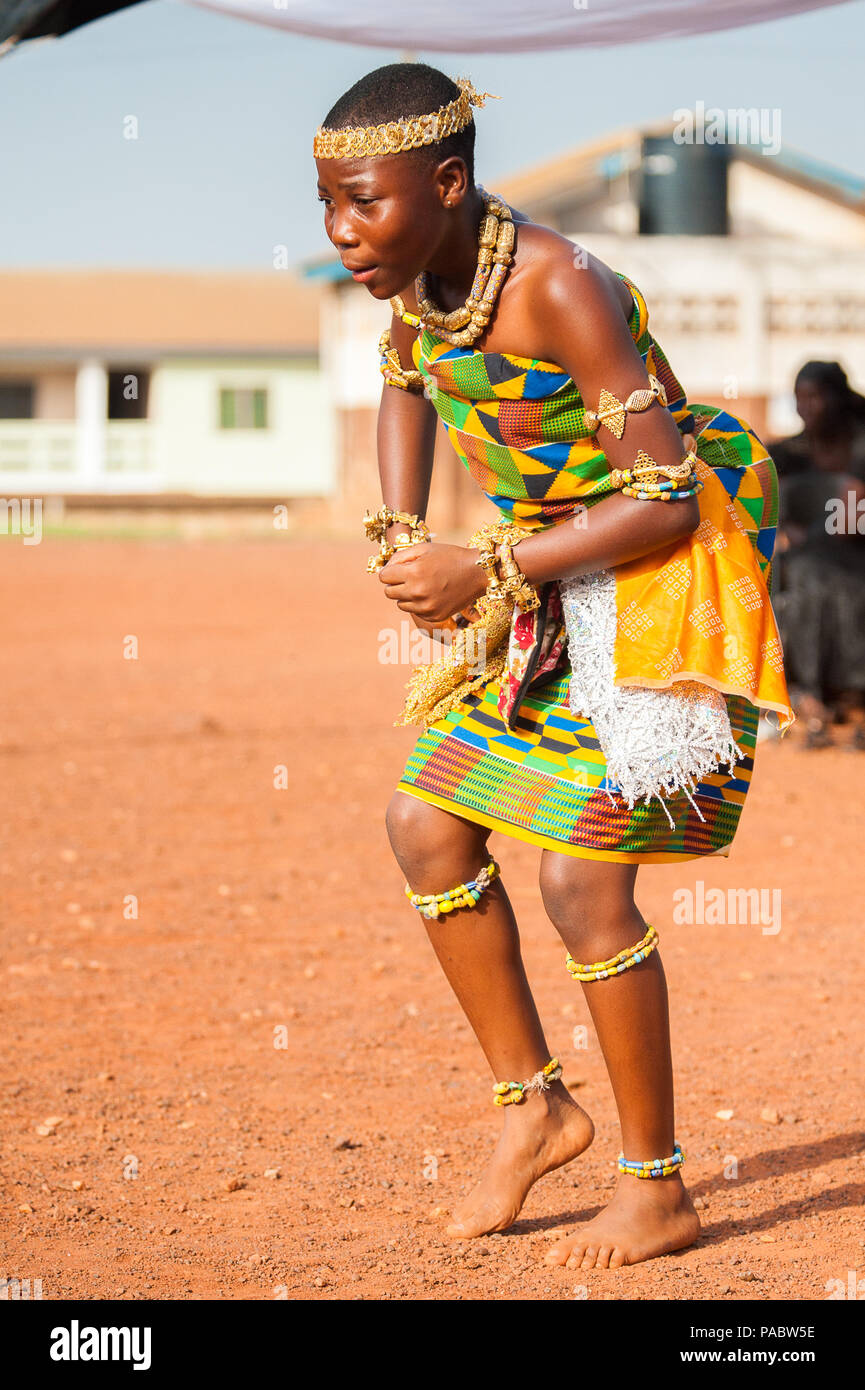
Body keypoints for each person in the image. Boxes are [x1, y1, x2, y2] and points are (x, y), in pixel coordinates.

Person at [314, 63, 793, 1271]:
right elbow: (403, 381)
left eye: (361, 203)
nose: (340, 232)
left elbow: (666, 499)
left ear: (448, 180)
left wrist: (484, 569)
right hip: (546, 567)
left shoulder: (562, 287)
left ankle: (657, 1184)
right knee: (426, 827)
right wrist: (398, 525)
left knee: (582, 886)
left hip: (658, 573)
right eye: (326, 206)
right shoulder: (420, 281)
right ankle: (536, 1108)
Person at [770, 361, 865, 748]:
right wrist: (778, 530)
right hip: (814, 559)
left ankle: (843, 694)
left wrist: (805, 535)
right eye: (799, 398)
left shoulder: (861, 445)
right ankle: (807, 696)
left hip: (856, 552)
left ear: (837, 400)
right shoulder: (790, 452)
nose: (805, 407)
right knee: (802, 574)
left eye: (815, 397)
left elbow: (849, 520)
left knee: (816, 574)